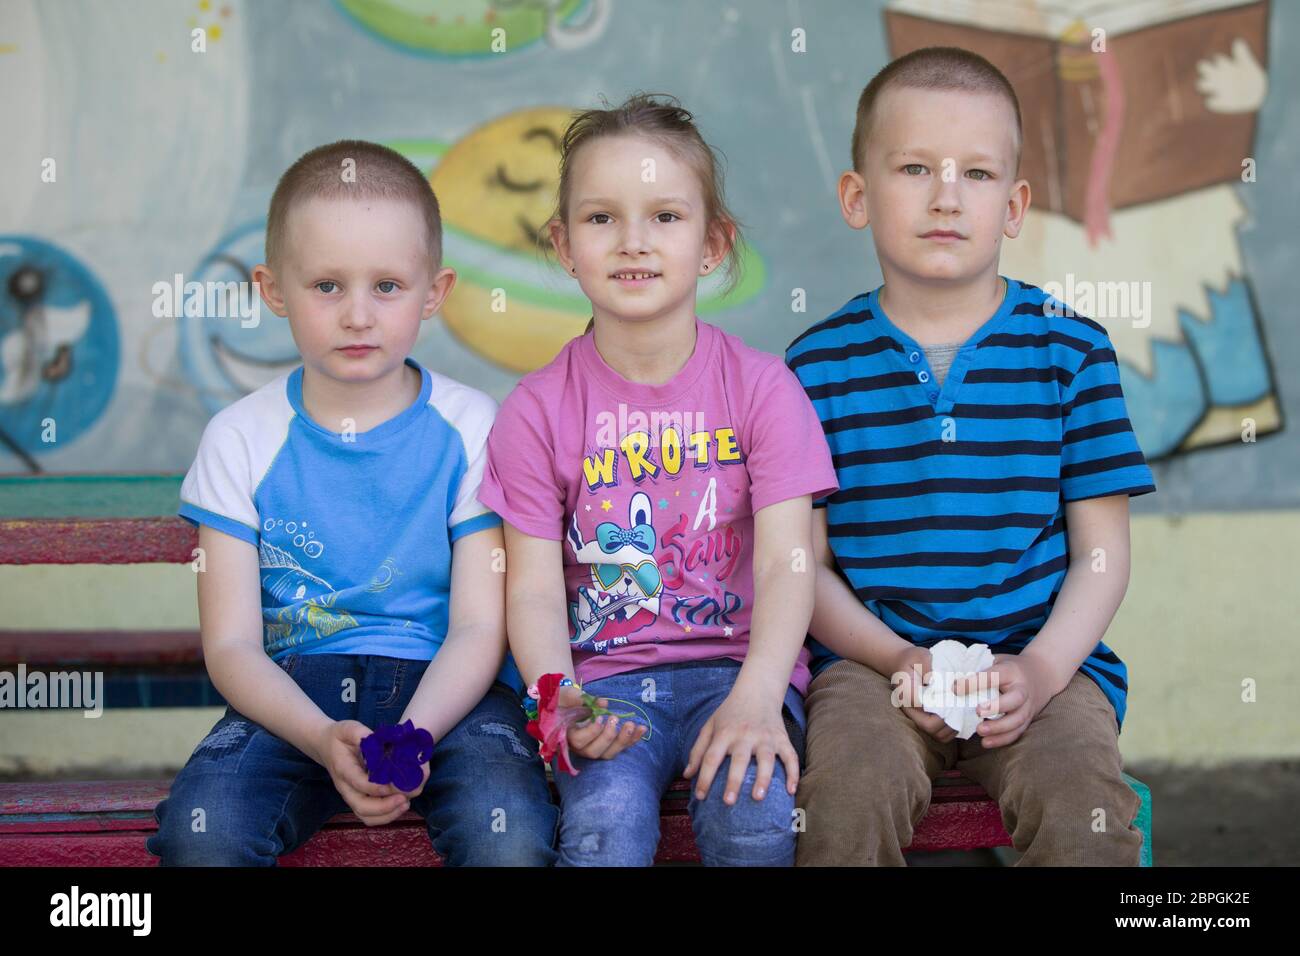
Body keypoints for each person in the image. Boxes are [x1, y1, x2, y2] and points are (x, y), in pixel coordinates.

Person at [786, 47, 1155, 866]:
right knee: (843, 798)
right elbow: (800, 567)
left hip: (1041, 661)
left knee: (1082, 805)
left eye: (978, 174)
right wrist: (897, 658)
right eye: (915, 167)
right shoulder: (813, 369)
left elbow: (1103, 552)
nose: (946, 196)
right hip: (873, 666)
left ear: (1015, 204)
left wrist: (1046, 668)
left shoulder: (1071, 352)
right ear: (857, 196)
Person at [148, 139, 557, 866]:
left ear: (435, 292)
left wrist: (415, 735)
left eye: (389, 286)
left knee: (512, 833)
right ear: (273, 290)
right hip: (291, 696)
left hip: (450, 692)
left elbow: (477, 626)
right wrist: (317, 738)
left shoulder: (472, 428)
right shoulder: (239, 439)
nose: (358, 315)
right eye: (327, 286)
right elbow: (232, 645)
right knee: (201, 833)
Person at [479, 94, 838, 866]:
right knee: (606, 829)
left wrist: (759, 695)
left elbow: (788, 562)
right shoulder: (537, 411)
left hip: (743, 670)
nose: (632, 241)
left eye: (665, 217)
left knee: (753, 819)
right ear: (564, 244)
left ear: (713, 245)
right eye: (602, 217)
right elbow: (535, 591)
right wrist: (559, 699)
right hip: (606, 685)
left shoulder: (763, 389)